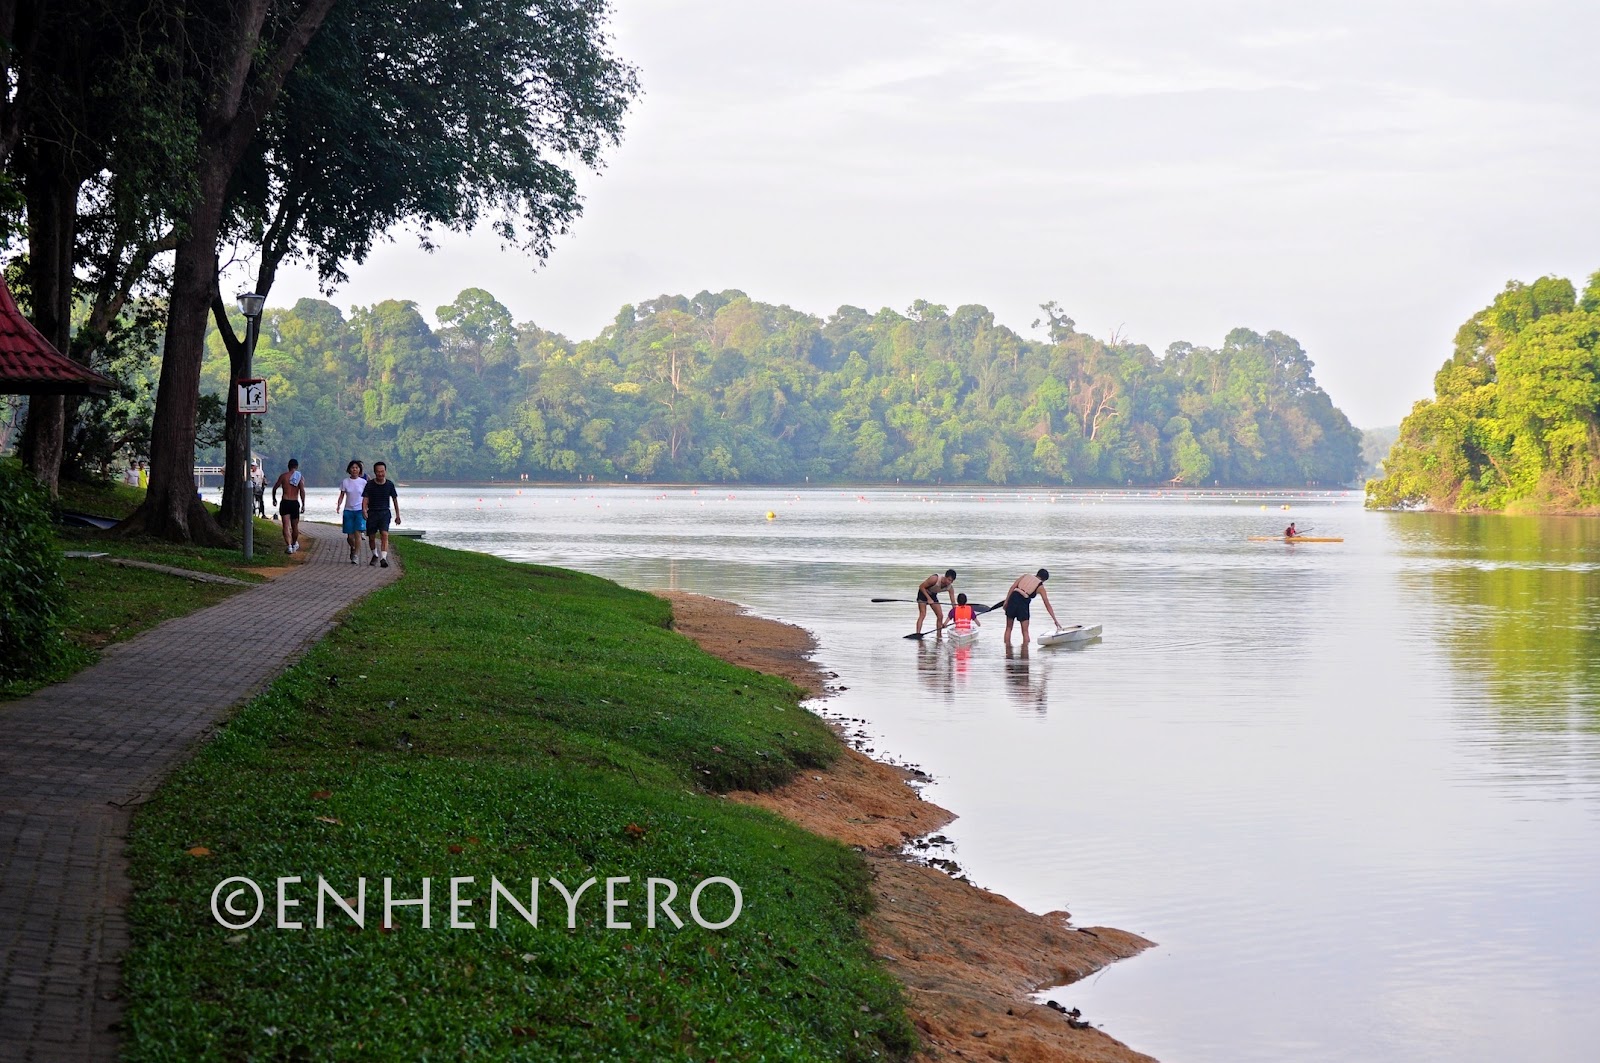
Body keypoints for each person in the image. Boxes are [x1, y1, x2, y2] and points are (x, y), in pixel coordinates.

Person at [1002, 568, 1061, 648]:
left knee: (1008, 628)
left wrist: (1006, 601)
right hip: (1023, 603)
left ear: (1037, 574)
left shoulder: (1025, 576)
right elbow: (1047, 604)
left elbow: (1012, 587)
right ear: (1044, 580)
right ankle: (1025, 653)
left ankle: (1007, 652)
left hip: (1013, 598)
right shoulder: (1040, 586)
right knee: (1025, 631)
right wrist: (1055, 620)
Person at [362, 460, 401, 568]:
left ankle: (383, 558)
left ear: (385, 471)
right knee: (372, 537)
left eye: (382, 471)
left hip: (384, 512)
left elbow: (395, 500)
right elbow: (365, 499)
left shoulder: (389, 484)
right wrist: (364, 510)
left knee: (384, 534)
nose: (380, 474)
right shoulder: (369, 484)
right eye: (378, 472)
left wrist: (398, 515)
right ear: (375, 472)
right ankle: (375, 554)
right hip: (372, 512)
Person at [334, 459, 368, 564]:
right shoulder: (345, 482)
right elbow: (342, 495)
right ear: (349, 469)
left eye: (357, 468)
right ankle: (353, 547)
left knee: (357, 533)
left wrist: (366, 509)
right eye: (353, 468)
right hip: (348, 511)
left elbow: (367, 497)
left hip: (359, 511)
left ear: (360, 470)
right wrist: (338, 505)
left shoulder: (363, 482)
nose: (354, 469)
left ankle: (356, 555)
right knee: (349, 536)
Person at [271, 458, 307, 554]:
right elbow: (302, 491)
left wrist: (274, 498)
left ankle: (289, 546)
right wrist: (303, 504)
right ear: (297, 466)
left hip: (285, 502)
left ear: (288, 466)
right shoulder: (300, 477)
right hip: (294, 503)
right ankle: (294, 543)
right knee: (295, 526)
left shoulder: (283, 476)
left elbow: (275, 488)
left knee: (285, 526)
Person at [914, 568, 957, 635]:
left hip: (933, 595)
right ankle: (917, 634)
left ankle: (939, 635)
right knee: (923, 614)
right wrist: (928, 598)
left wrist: (957, 610)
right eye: (949, 580)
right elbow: (921, 586)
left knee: (940, 616)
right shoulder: (935, 579)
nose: (949, 582)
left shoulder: (950, 588)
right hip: (923, 593)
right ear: (945, 577)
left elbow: (953, 603)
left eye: (951, 581)